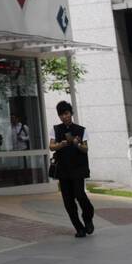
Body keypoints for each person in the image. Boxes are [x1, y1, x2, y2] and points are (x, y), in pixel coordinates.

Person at [50, 101, 94, 237]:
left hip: (78, 169)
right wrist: (61, 144)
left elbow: (86, 149)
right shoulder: (55, 129)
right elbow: (51, 147)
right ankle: (79, 228)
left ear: (71, 113)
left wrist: (77, 144)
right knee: (68, 201)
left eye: (66, 113)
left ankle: (88, 217)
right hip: (63, 170)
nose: (64, 117)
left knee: (80, 195)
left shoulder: (81, 130)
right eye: (61, 115)